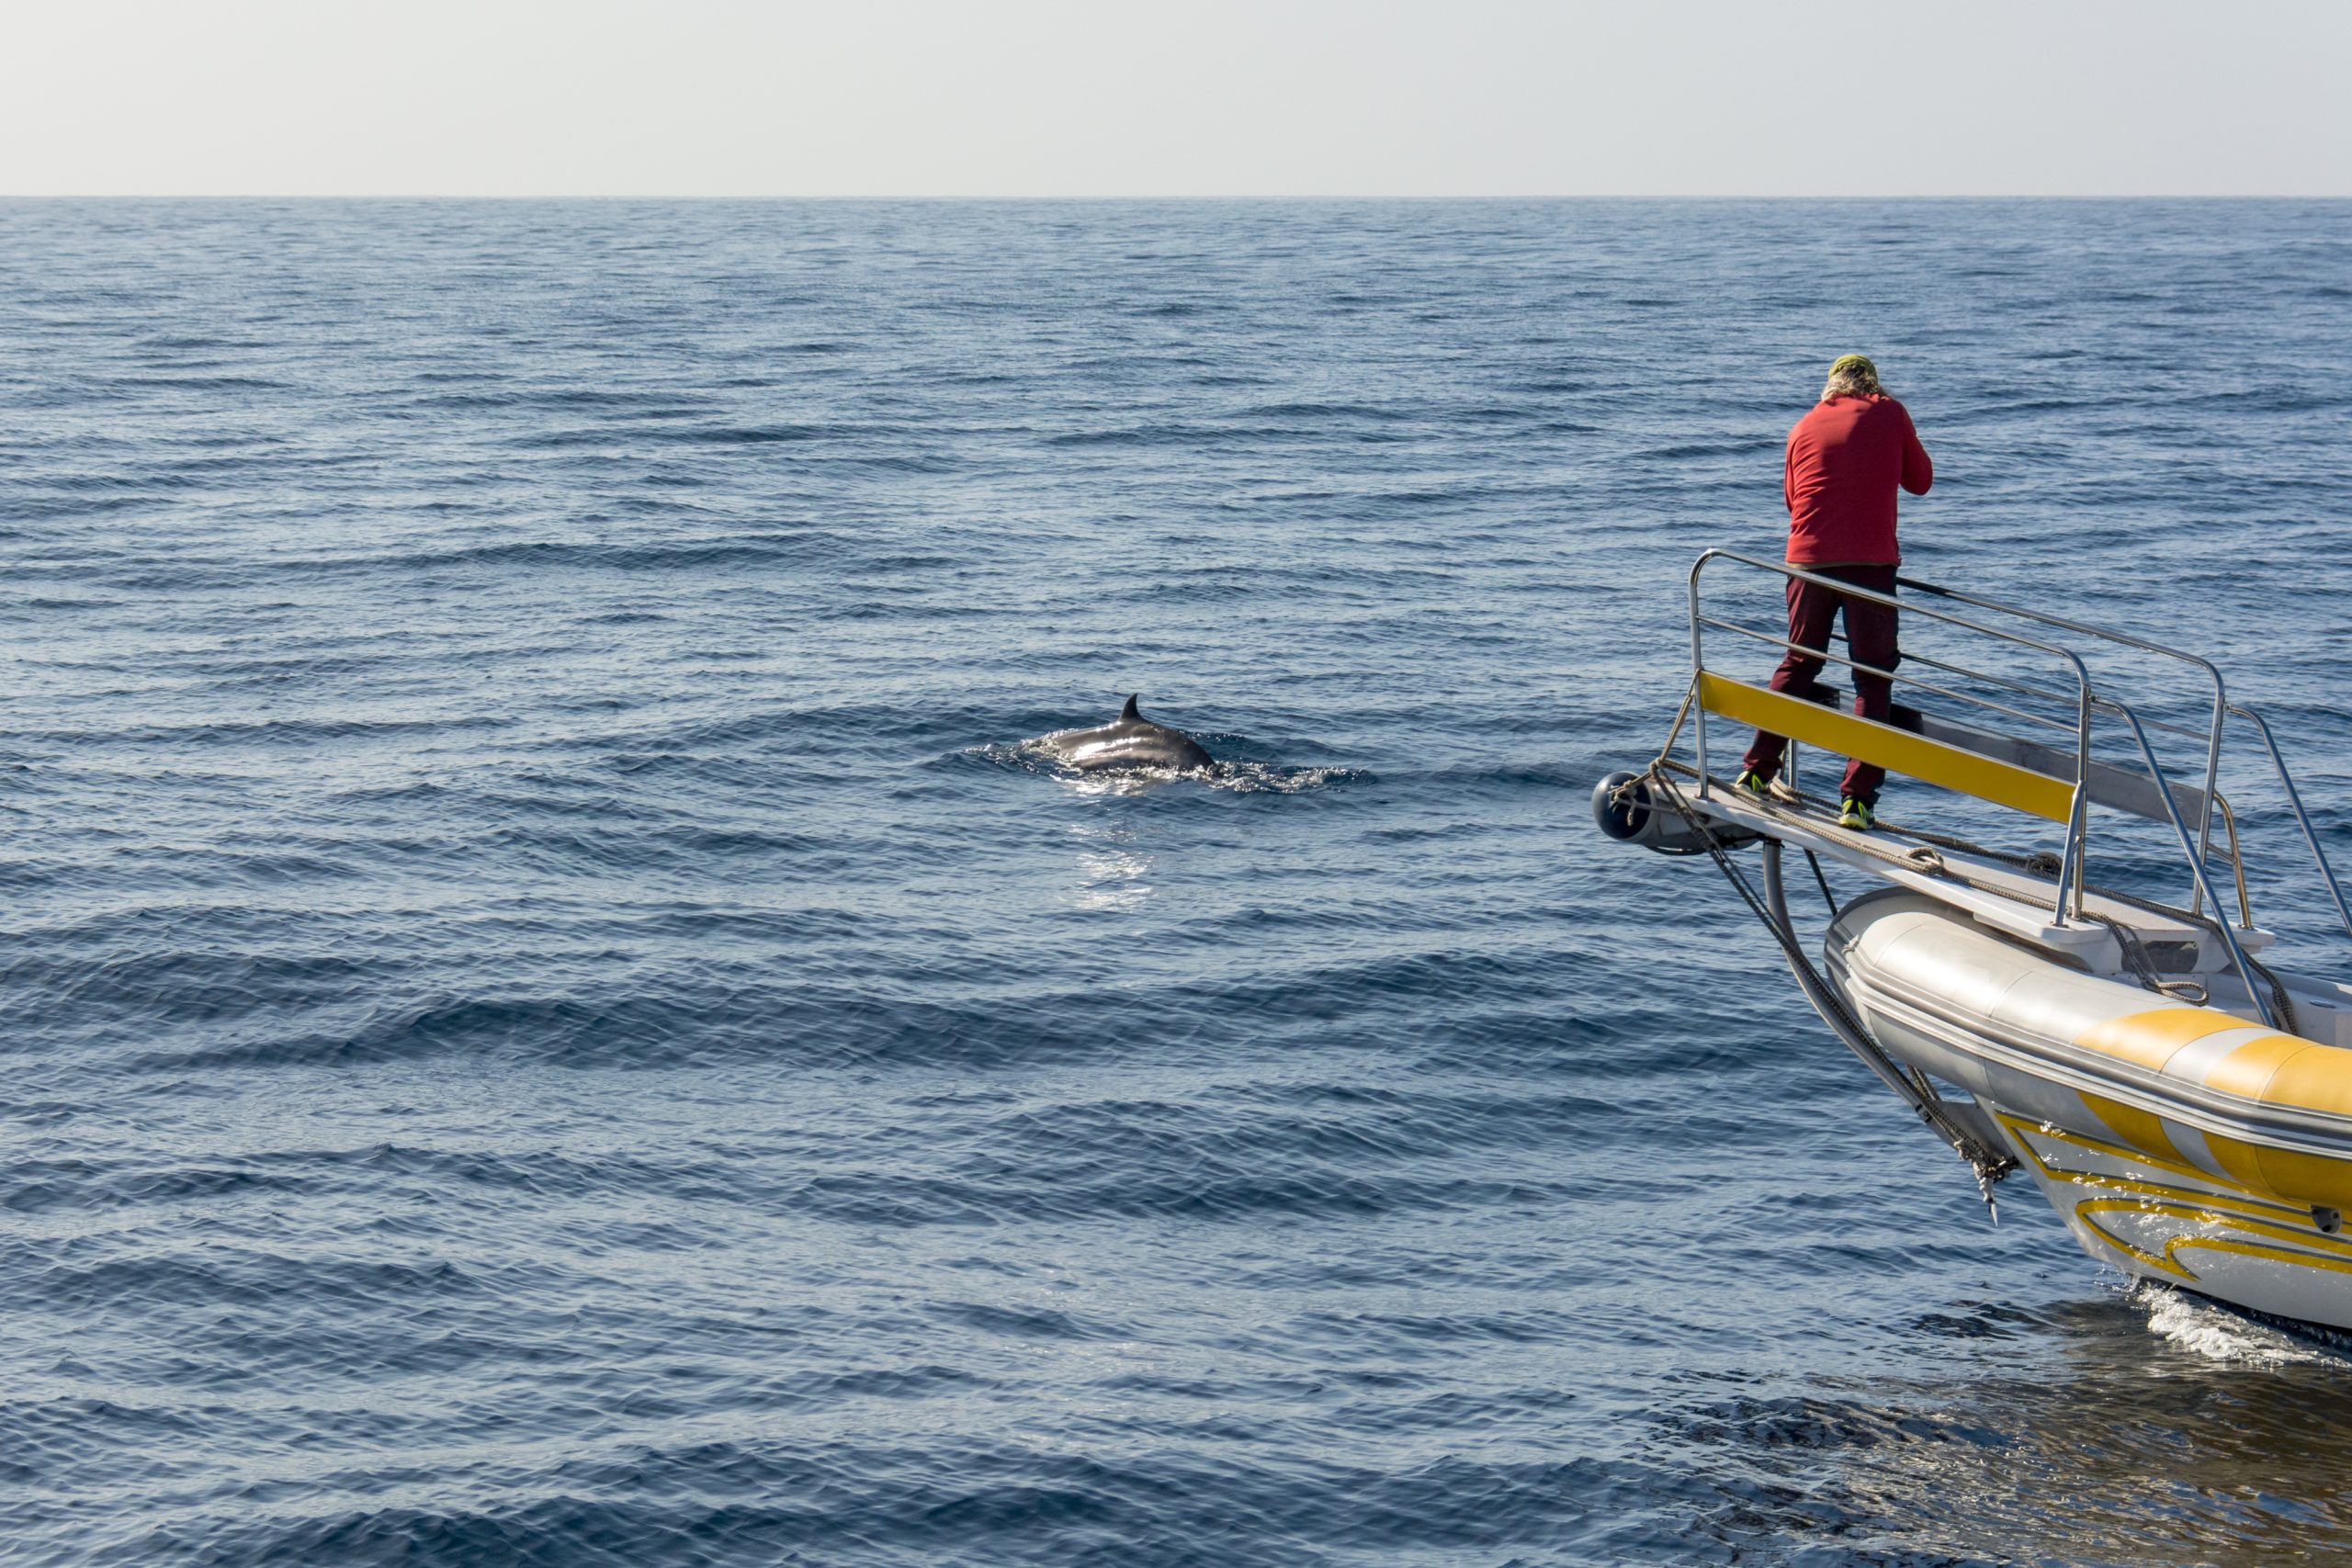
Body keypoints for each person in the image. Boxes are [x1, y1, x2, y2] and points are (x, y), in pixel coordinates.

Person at [1735, 354, 1932, 829]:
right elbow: (1921, 481)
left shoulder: (1802, 426)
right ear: (1874, 386)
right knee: (1872, 676)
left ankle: (1756, 772)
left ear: (1830, 388)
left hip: (1807, 560)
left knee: (1800, 662)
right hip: (1869, 563)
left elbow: (1792, 500)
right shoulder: (1890, 411)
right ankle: (1857, 801)